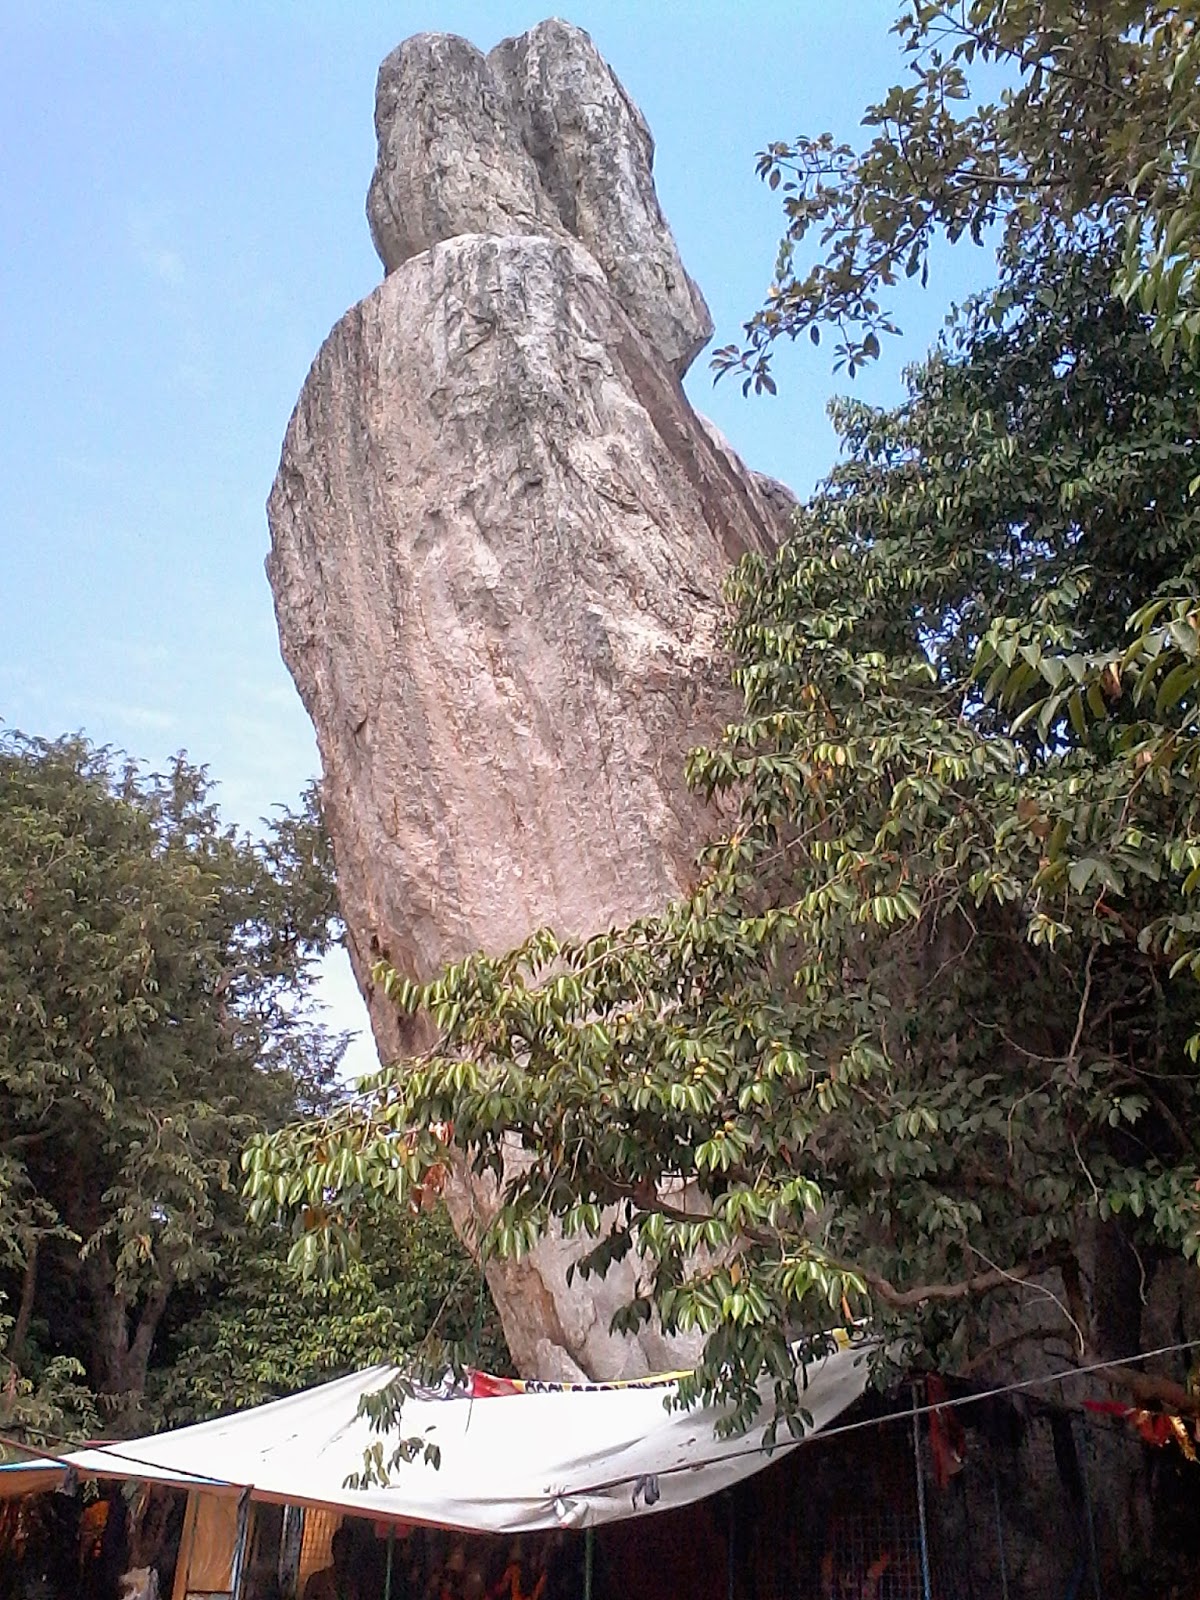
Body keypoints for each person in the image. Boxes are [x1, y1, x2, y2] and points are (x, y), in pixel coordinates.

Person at [303, 1527, 366, 1600]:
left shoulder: (354, 1586)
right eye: (341, 1547)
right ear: (333, 1549)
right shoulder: (317, 1580)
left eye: (347, 1548)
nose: (344, 1551)